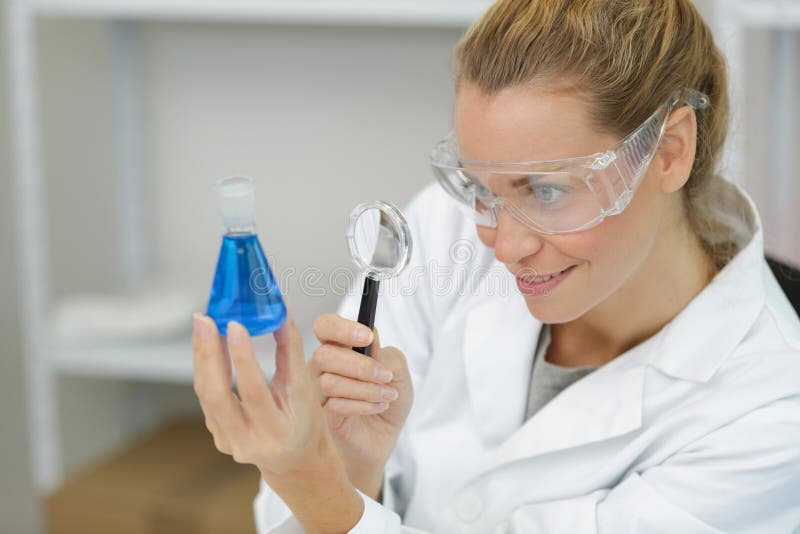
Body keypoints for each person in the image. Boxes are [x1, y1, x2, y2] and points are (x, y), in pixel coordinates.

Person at [192, 0, 800, 532]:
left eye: (548, 190)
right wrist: (350, 468)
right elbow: (291, 514)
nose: (504, 245)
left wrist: (311, 482)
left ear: (668, 152)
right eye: (480, 187)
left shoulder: (769, 414)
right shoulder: (442, 229)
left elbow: (319, 505)